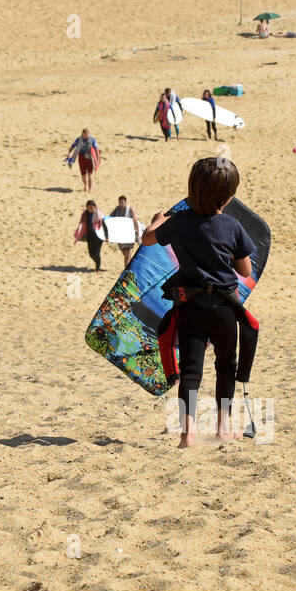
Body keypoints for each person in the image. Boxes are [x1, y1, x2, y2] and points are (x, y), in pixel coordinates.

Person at [141, 158, 256, 448]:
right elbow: (245, 272)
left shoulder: (177, 223)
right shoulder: (232, 226)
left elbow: (147, 240)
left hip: (189, 307)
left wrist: (157, 220)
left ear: (191, 189)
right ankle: (222, 429)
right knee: (225, 366)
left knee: (191, 370)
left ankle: (187, 435)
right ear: (229, 197)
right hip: (224, 309)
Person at [74, 199, 104, 272]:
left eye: (91, 207)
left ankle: (97, 268)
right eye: (88, 207)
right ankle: (97, 262)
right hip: (90, 234)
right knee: (91, 252)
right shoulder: (85, 214)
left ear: (95, 207)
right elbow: (81, 223)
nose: (90, 208)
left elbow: (103, 224)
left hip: (98, 235)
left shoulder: (99, 214)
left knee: (97, 251)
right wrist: (78, 236)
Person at [109, 195, 141, 265]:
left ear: (125, 202)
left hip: (129, 234)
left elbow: (135, 221)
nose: (120, 204)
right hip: (120, 234)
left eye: (122, 203)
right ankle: (131, 264)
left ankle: (126, 267)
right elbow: (110, 218)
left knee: (127, 250)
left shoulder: (130, 210)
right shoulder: (117, 209)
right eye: (119, 202)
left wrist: (138, 233)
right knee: (124, 251)